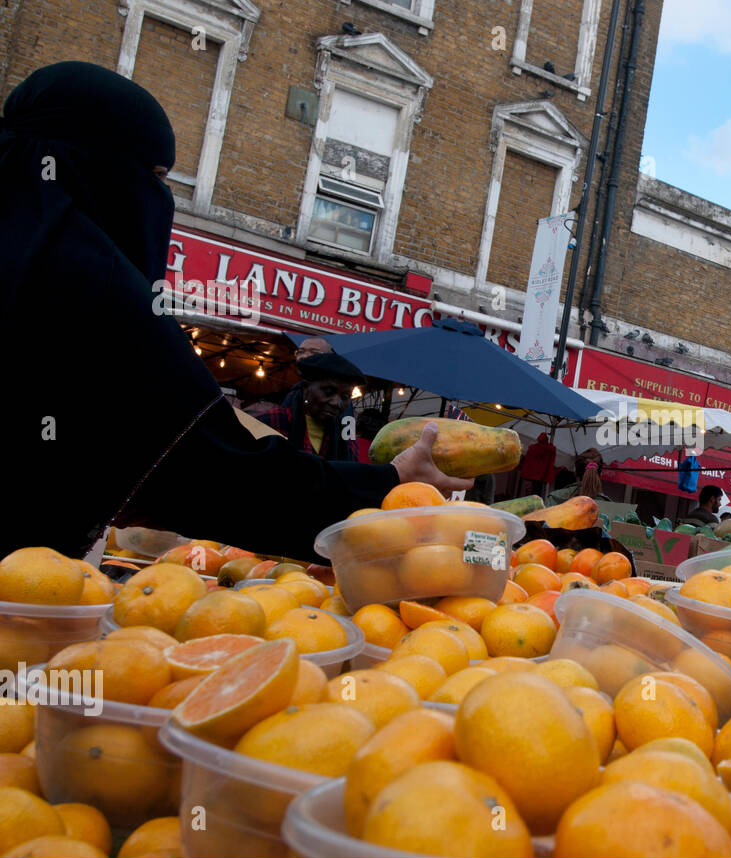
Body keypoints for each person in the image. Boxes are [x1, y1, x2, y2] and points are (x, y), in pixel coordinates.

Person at [0, 62, 470, 562]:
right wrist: (391, 483)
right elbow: (211, 473)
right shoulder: (84, 283)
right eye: (155, 178)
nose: (161, 201)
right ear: (99, 166)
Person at [253, 352, 367, 461]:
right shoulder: (271, 422)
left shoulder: (346, 439)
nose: (336, 402)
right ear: (306, 388)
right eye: (328, 391)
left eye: (345, 396)